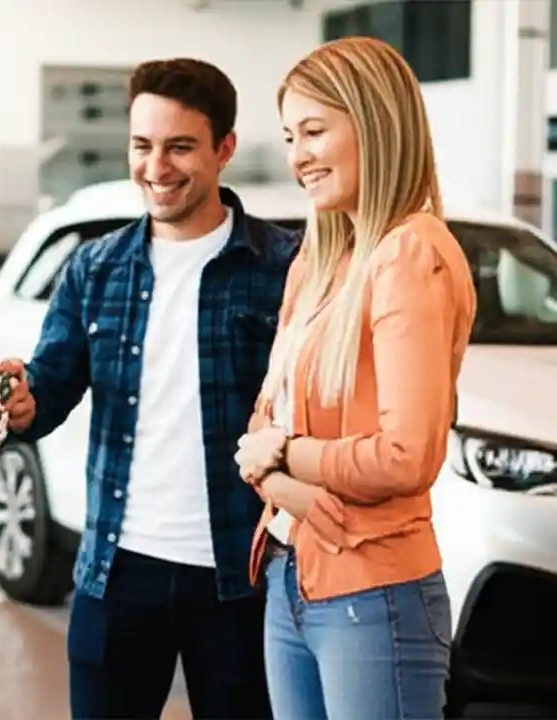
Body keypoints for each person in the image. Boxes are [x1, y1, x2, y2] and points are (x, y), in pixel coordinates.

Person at [0, 58, 299, 719]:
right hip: (115, 572)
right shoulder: (95, 269)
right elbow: (53, 384)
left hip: (242, 575)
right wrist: (22, 398)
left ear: (224, 149)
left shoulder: (284, 267)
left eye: (180, 146)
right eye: (142, 146)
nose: (156, 167)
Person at [233, 36, 477, 719]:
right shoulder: (320, 256)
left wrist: (283, 457)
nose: (298, 155)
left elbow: (407, 456)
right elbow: (260, 419)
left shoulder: (410, 254)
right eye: (289, 136)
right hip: (290, 576)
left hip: (375, 595)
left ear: (375, 122)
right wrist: (290, 488)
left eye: (315, 131)